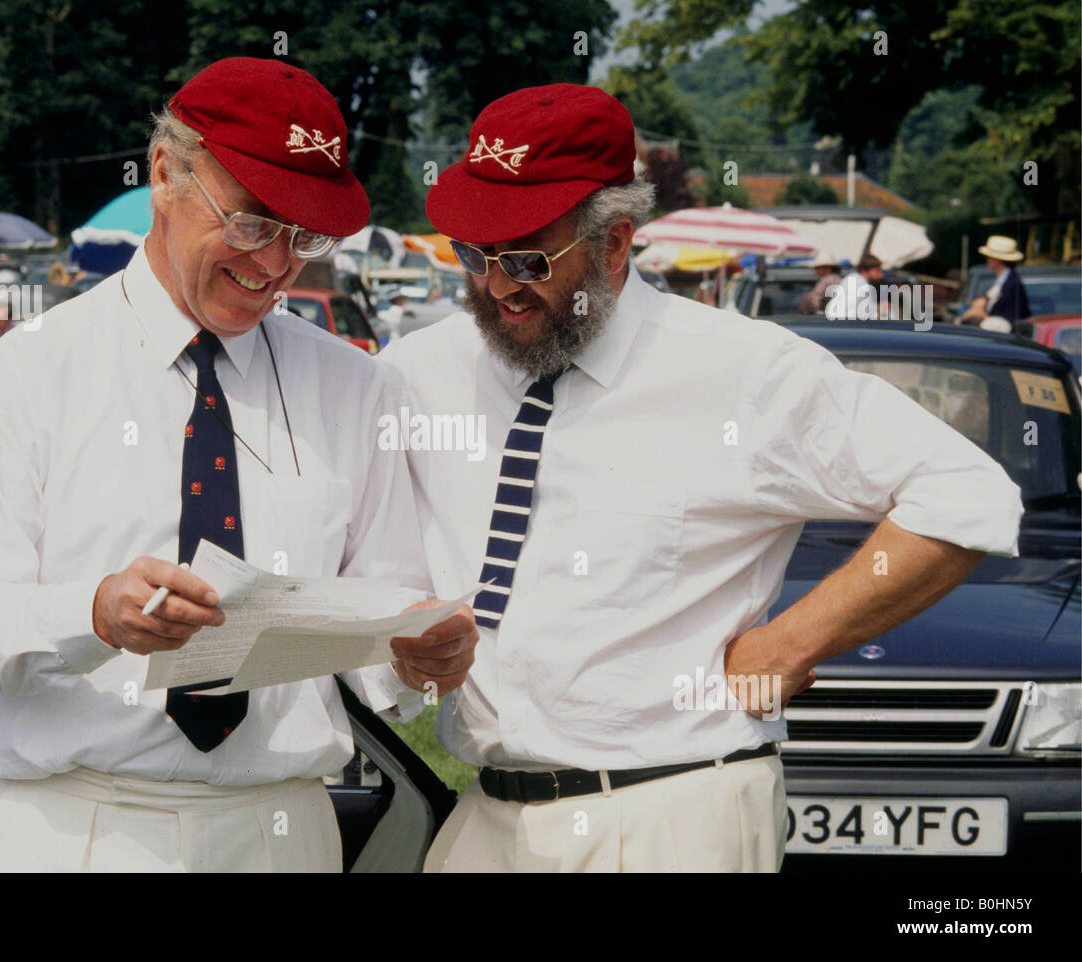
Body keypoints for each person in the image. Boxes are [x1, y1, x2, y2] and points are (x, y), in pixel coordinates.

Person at [379, 83, 1022, 872]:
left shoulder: (742, 372)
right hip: (491, 814)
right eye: (472, 256)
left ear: (614, 245)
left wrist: (791, 643)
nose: (495, 286)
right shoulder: (422, 369)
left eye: (526, 259)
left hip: (671, 814)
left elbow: (967, 493)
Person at [0, 57, 477, 873]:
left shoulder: (358, 387)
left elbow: (385, 619)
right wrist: (96, 615)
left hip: (281, 830)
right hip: (80, 828)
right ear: (165, 175)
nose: (277, 263)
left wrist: (419, 655)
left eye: (306, 234)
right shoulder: (29, 371)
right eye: (252, 221)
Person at [959, 235, 1031, 330]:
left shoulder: (1012, 284)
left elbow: (1010, 319)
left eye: (988, 257)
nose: (987, 260)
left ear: (996, 260)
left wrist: (982, 314)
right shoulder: (1004, 280)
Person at [826, 253, 885, 320]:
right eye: (877, 271)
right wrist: (879, 309)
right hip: (847, 325)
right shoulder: (862, 285)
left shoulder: (852, 279)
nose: (881, 275)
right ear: (864, 271)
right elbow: (867, 314)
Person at [797, 250, 841, 315]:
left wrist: (809, 298)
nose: (816, 272)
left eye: (817, 268)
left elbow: (816, 304)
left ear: (827, 269)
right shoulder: (840, 279)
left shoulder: (825, 281)